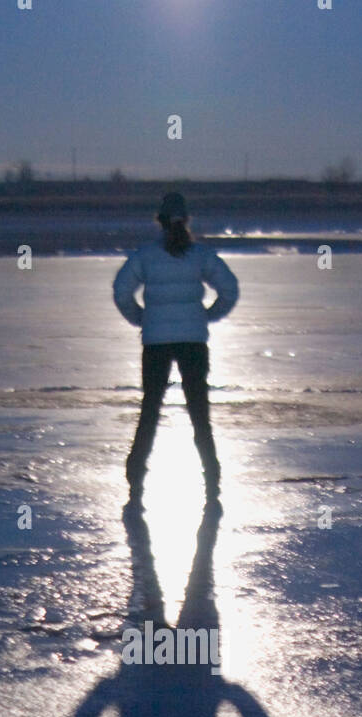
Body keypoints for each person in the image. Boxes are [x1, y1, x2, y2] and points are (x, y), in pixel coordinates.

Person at [113, 192, 239, 510]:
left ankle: (135, 476)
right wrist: (206, 316)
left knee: (150, 411)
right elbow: (229, 289)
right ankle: (212, 477)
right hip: (193, 342)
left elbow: (121, 291)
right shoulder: (200, 255)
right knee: (199, 413)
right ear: (186, 220)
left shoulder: (145, 256)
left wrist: (141, 318)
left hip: (156, 342)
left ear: (159, 221)